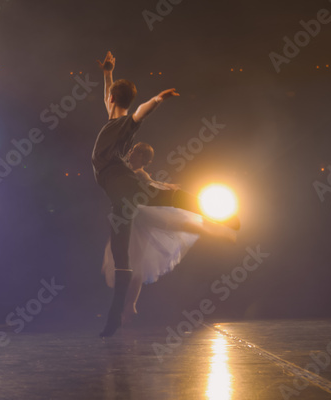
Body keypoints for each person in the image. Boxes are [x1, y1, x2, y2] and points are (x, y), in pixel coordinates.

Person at [92, 51, 239, 338]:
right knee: (122, 257)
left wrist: (157, 100)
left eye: (109, 94)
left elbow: (139, 113)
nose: (107, 98)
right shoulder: (112, 119)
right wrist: (107, 74)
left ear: (112, 100)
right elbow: (111, 99)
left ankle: (225, 218)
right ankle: (115, 316)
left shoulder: (124, 124)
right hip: (118, 198)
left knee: (166, 199)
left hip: (123, 186)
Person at [100, 142, 236, 326]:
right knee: (137, 263)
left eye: (133, 151)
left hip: (140, 213)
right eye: (131, 150)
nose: (130, 153)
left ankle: (217, 232)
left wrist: (167, 187)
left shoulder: (139, 172)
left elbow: (150, 184)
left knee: (177, 224)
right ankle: (129, 307)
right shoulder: (132, 171)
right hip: (133, 219)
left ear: (140, 157)